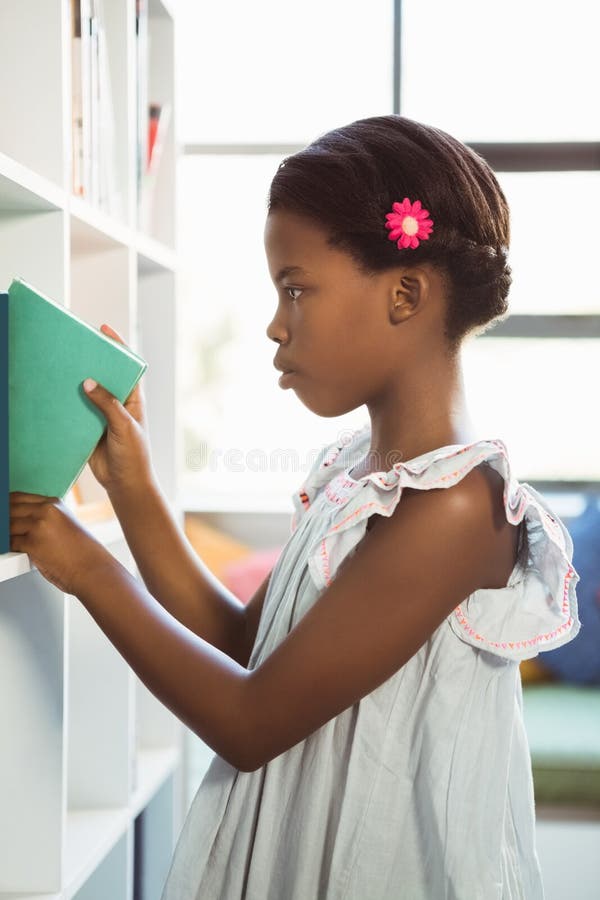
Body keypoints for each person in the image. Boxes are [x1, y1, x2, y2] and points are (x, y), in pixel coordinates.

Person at [9, 115, 581, 899]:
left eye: (296, 288)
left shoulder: (453, 507)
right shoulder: (360, 473)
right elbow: (252, 647)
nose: (276, 326)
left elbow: (250, 723)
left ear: (406, 293)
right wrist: (134, 492)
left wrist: (92, 571)